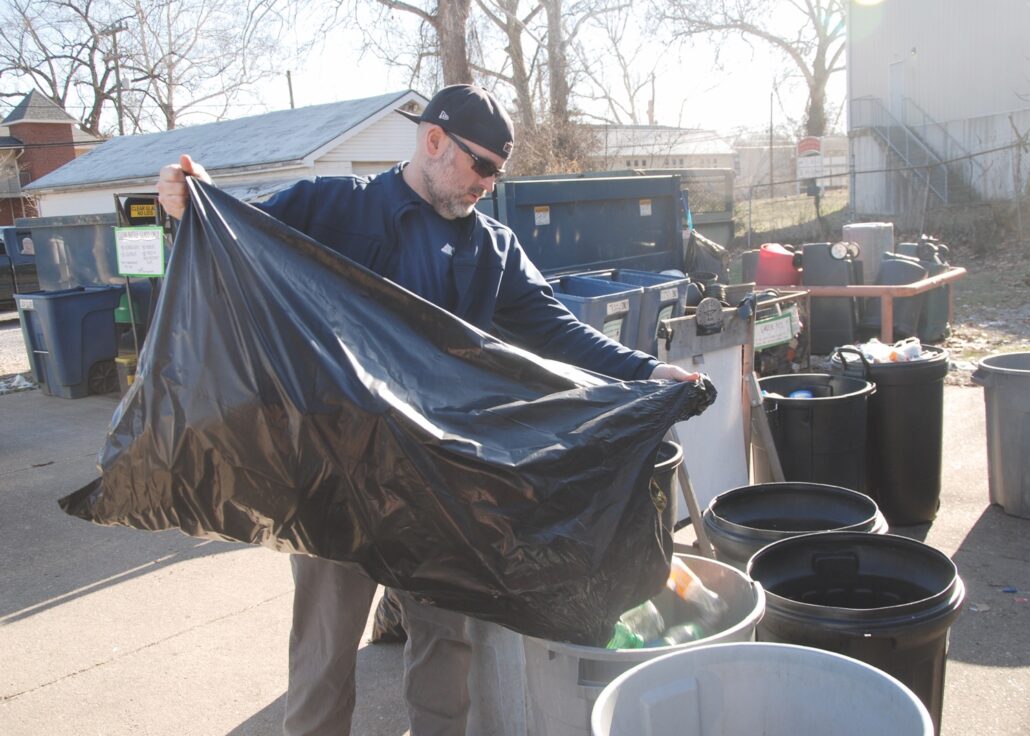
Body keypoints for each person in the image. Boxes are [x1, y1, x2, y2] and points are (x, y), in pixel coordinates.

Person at [157, 84, 699, 736]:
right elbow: (238, 235)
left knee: (446, 641)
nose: (489, 185)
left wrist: (647, 371)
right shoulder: (335, 208)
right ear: (434, 141)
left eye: (500, 173)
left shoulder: (492, 250)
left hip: (441, 485)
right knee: (325, 653)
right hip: (339, 478)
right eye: (482, 167)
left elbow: (558, 331)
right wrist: (191, 202)